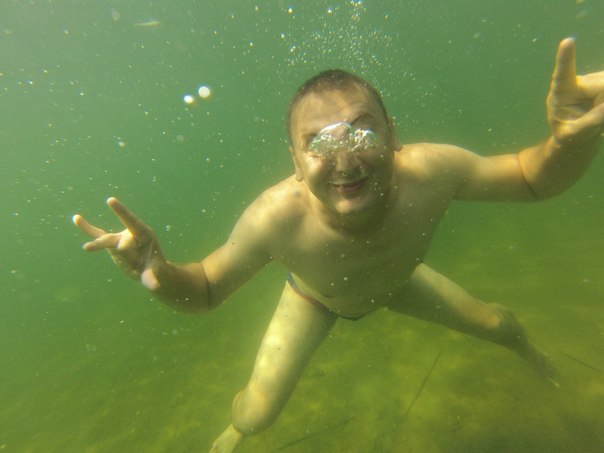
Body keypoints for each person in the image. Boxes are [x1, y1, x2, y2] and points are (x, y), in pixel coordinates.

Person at [73, 38, 603, 452]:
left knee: (500, 326)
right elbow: (207, 289)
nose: (345, 161)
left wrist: (568, 141)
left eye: (362, 133)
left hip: (399, 282)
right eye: (318, 144)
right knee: (256, 416)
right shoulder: (275, 218)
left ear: (393, 135)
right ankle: (238, 430)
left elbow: (530, 178)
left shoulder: (432, 172)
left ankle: (529, 352)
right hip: (315, 297)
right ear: (294, 161)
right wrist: (156, 272)